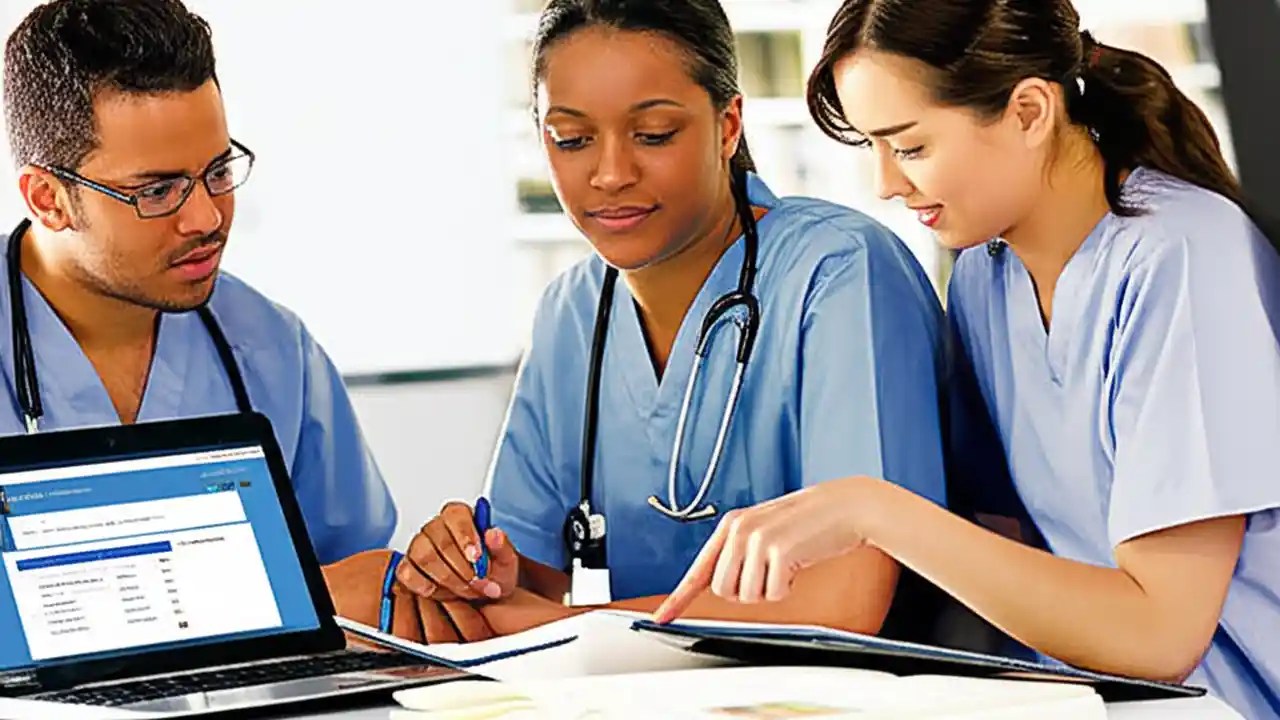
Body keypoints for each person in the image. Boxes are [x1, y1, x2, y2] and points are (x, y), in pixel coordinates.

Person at [654, 1, 1280, 717]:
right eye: (873, 149)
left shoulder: (1182, 256)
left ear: (1029, 111)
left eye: (911, 147)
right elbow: (1006, 547)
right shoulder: (986, 272)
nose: (886, 184)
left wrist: (872, 508)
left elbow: (1159, 635)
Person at [385, 0, 949, 637]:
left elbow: (845, 601)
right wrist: (472, 572)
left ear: (728, 125)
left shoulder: (839, 271)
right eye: (570, 139)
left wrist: (569, 623)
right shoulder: (572, 312)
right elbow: (526, 583)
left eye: (653, 134)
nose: (610, 174)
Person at [1, 0, 399, 611]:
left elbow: (360, 591)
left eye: (217, 172)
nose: (207, 218)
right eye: (157, 190)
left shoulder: (272, 350)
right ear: (48, 198)